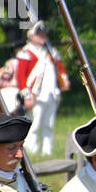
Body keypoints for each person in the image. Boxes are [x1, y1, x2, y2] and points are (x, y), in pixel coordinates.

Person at [14, 21, 66, 157]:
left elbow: (60, 69)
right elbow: (20, 77)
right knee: (33, 126)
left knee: (48, 125)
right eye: (39, 34)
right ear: (31, 35)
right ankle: (32, 151)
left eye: (43, 34)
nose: (42, 36)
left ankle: (47, 151)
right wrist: (26, 96)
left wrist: (64, 80)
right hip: (35, 95)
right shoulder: (26, 52)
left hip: (51, 94)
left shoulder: (51, 52)